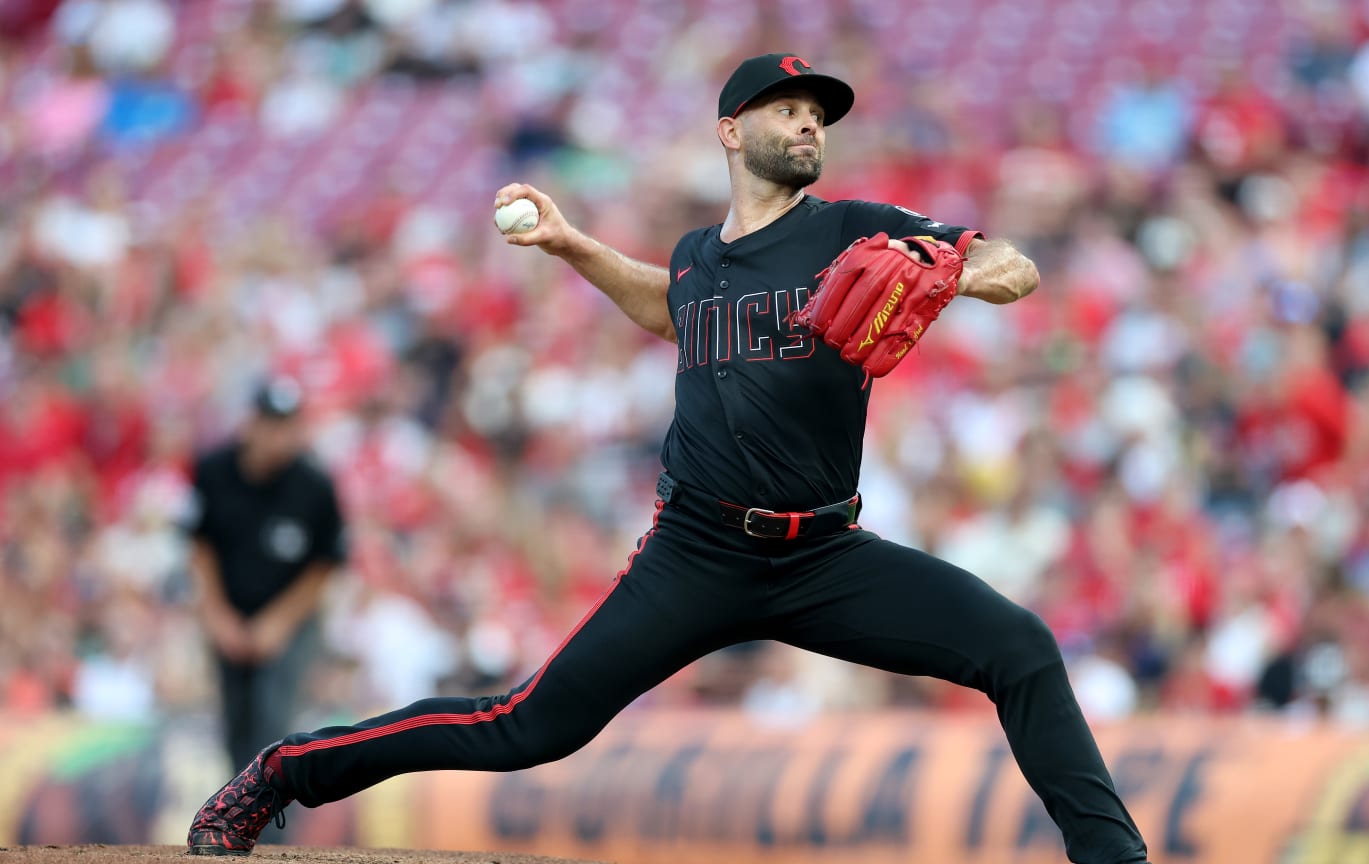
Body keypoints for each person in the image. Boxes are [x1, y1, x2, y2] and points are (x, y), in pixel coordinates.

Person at [186, 54, 1150, 863]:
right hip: (696, 553)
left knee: (1018, 646)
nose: (810, 126)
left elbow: (1014, 266)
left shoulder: (857, 228)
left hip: (825, 555)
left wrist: (955, 272)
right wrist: (570, 244)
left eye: (819, 116)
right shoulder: (698, 257)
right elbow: (670, 305)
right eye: (789, 110)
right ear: (732, 130)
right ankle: (285, 771)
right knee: (526, 726)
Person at [186, 377, 346, 777]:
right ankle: (230, 820)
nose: (280, 435)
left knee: (274, 720)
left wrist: (277, 623)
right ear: (252, 423)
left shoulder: (314, 486)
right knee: (235, 720)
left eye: (288, 424)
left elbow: (323, 566)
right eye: (272, 423)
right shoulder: (213, 471)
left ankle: (273, 830)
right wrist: (218, 616)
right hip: (230, 614)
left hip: (290, 621)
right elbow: (200, 546)